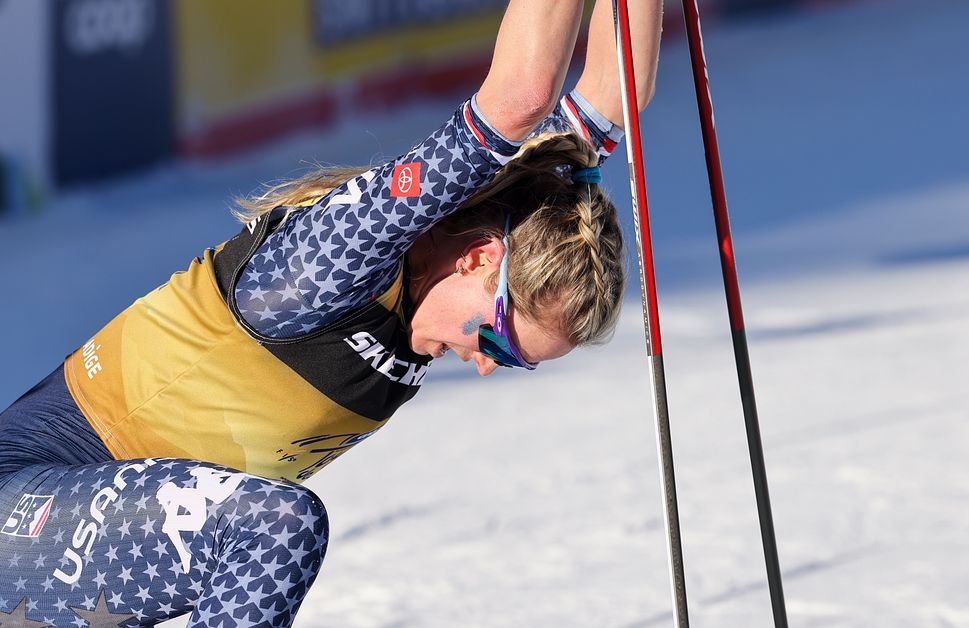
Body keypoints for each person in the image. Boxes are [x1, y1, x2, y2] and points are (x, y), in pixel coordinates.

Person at [0, 1, 663, 625]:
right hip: (27, 499)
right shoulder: (330, 264)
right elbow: (519, 99)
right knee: (274, 528)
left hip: (97, 542)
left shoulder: (432, 302)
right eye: (500, 340)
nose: (487, 364)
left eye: (512, 362)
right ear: (479, 258)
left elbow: (615, 90)